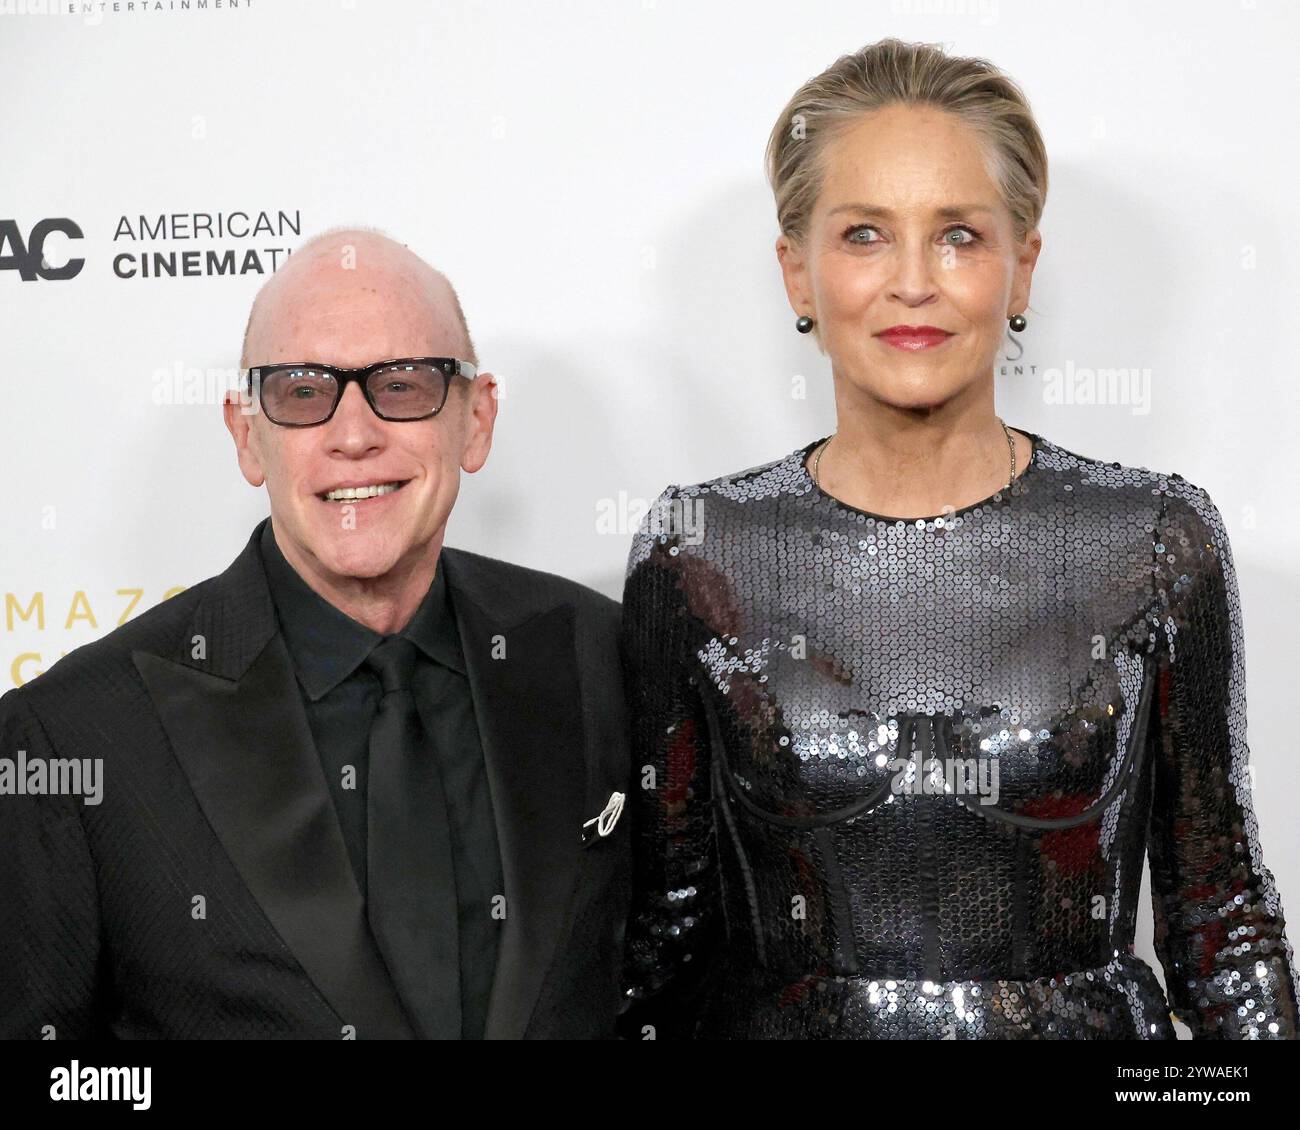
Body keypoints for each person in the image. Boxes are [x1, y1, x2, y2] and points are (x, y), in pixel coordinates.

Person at [617, 38, 1297, 1039]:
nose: (911, 283)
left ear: (1021, 267)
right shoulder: (700, 548)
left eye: (958, 236)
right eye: (862, 235)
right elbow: (663, 934)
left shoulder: (1150, 540)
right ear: (795, 274)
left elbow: (1220, 925)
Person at [0, 227, 630, 1040]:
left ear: (476, 421)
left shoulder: (599, 655)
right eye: (304, 392)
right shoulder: (71, 736)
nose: (354, 433)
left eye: (403, 386)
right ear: (245, 434)